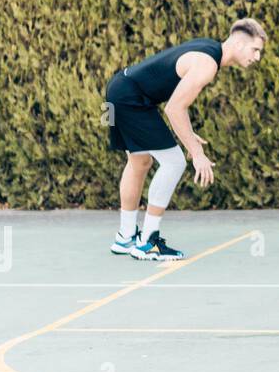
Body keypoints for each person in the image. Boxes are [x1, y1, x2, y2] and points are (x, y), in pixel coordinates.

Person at [105, 19, 266, 260]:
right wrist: (197, 154)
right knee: (174, 162)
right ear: (239, 43)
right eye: (256, 50)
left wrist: (189, 137)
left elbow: (179, 103)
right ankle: (148, 242)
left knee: (140, 162)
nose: (257, 58)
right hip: (130, 99)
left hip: (120, 89)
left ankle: (125, 237)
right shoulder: (207, 64)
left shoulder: (209, 50)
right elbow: (174, 108)